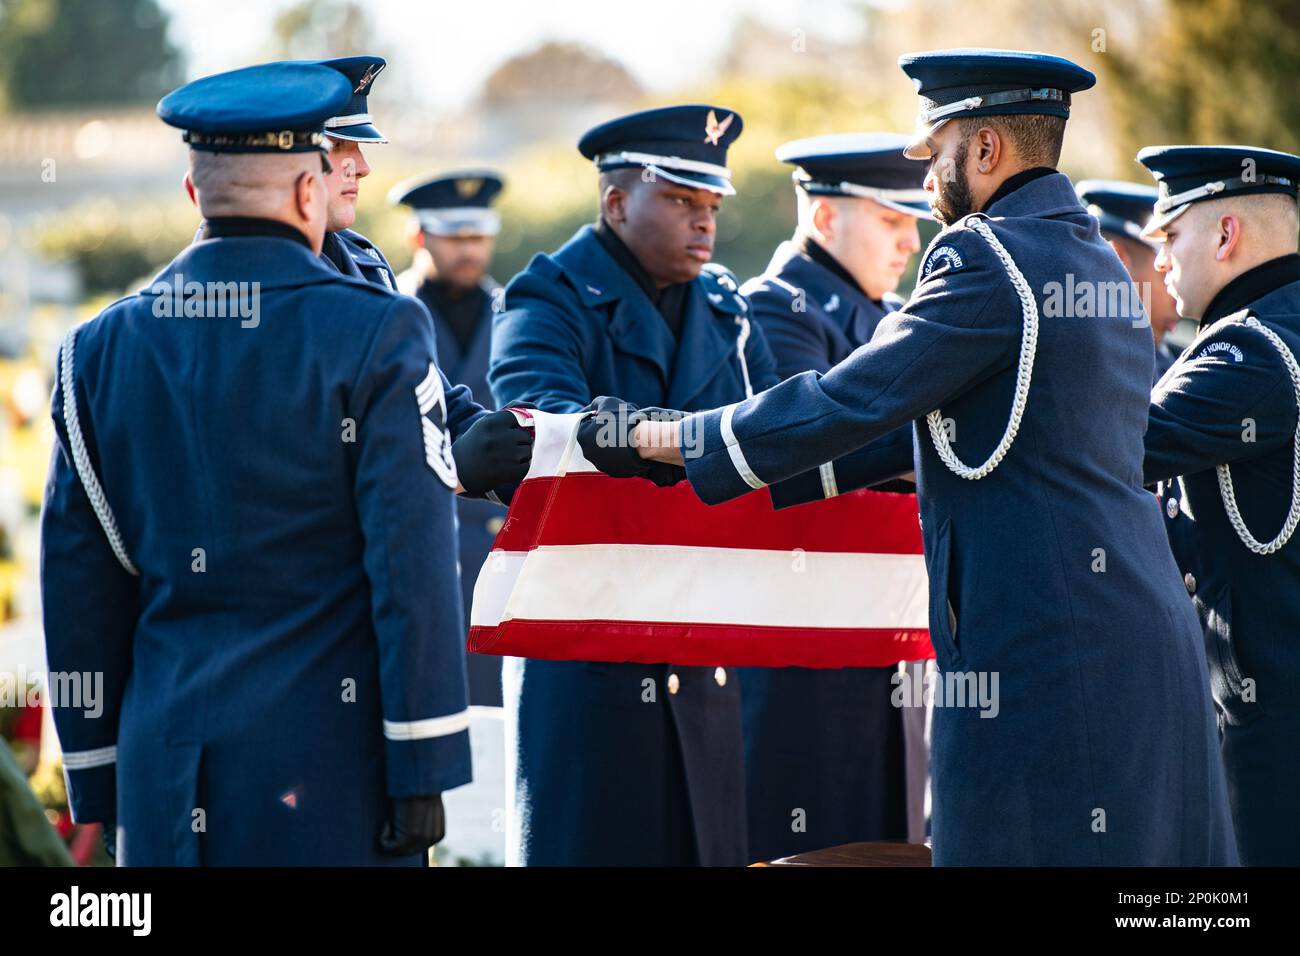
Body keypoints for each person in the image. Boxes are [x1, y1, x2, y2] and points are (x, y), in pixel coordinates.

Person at [598, 50, 1238, 866]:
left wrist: (668, 437)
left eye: (933, 155)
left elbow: (850, 397)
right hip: (1136, 641)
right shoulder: (1094, 262)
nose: (927, 182)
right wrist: (754, 462)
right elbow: (931, 433)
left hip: (1042, 653)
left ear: (983, 151)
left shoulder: (986, 256)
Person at [40, 62, 532, 866]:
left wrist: (98, 778)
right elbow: (409, 567)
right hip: (330, 779)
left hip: (167, 780)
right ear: (310, 194)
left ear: (195, 195)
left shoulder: (91, 352)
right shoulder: (376, 332)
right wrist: (424, 762)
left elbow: (78, 590)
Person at [488, 104, 779, 866]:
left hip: (702, 639)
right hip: (588, 647)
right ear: (616, 203)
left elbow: (781, 436)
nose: (704, 223)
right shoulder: (546, 296)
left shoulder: (728, 310)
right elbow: (540, 417)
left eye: (712, 205)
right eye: (681, 200)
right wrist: (672, 442)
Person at [737, 132, 930, 859]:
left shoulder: (897, 315)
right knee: (811, 844)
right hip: (804, 642)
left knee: (893, 842)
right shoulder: (773, 308)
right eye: (890, 220)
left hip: (886, 628)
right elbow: (821, 448)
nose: (910, 240)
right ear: (824, 219)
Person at [1137, 144, 1300, 865]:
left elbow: (1102, 449)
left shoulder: (1252, 351)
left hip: (1272, 730)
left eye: (1170, 236)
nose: (1160, 262)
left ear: (1226, 235)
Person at [392, 170, 508, 706]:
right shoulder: (382, 315)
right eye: (455, 236)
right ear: (421, 237)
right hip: (417, 554)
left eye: (478, 236)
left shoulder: (519, 315)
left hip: (504, 554)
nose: (469, 249)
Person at [1076, 179, 1182, 378]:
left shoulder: (1171, 362)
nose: (1178, 293)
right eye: (1166, 272)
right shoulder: (1082, 356)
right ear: (1118, 260)